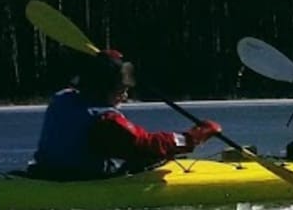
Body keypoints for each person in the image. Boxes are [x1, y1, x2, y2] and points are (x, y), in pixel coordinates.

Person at [29, 50, 221, 179]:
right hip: (82, 181)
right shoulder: (106, 120)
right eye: (121, 89)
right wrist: (193, 137)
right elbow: (146, 144)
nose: (125, 95)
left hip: (46, 174)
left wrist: (105, 63)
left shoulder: (63, 98)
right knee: (150, 157)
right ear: (104, 87)